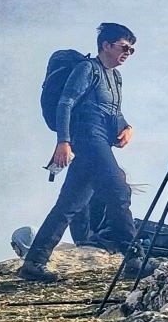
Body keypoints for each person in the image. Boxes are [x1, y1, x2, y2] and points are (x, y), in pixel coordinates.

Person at [19, 24, 138, 282]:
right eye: (123, 47)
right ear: (105, 45)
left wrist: (127, 127)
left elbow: (113, 111)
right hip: (86, 137)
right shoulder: (87, 69)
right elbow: (65, 103)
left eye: (131, 49)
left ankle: (34, 262)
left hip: (99, 141)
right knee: (119, 190)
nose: (128, 52)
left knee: (69, 205)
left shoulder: (116, 77)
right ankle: (134, 258)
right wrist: (63, 141)